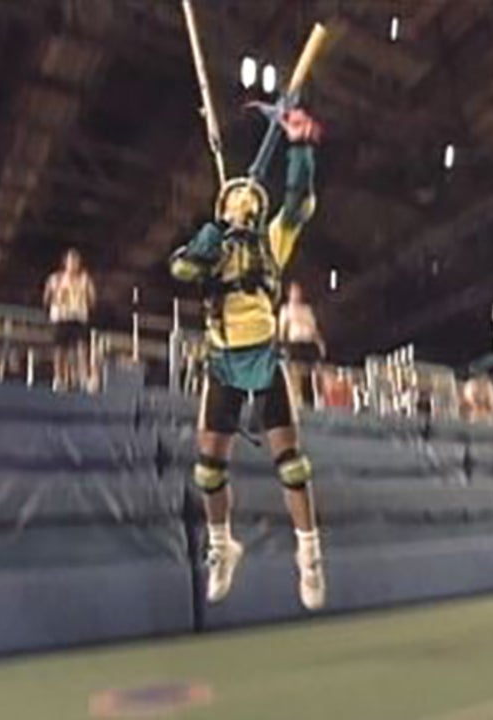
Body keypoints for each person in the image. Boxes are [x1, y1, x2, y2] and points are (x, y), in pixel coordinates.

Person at [168, 107, 326, 610]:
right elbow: (181, 270)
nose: (245, 200)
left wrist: (299, 148)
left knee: (292, 464)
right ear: (225, 206)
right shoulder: (212, 248)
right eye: (237, 197)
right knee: (208, 470)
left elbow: (298, 205)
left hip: (264, 357)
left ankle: (309, 553)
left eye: (250, 197)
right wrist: (214, 233)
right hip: (222, 361)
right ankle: (222, 545)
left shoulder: (271, 243)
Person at [43, 248, 96, 393]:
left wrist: (85, 305)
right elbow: (46, 297)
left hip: (78, 317)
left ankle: (85, 378)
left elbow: (92, 299)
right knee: (60, 349)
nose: (73, 264)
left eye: (76, 261)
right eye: (71, 261)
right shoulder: (55, 279)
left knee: (82, 348)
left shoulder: (85, 279)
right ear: (65, 262)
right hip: (61, 317)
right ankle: (59, 378)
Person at [278, 282, 326, 410]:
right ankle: (296, 403)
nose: (297, 293)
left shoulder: (306, 309)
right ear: (289, 293)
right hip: (295, 344)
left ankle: (314, 400)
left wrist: (320, 344)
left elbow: (314, 329)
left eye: (298, 291)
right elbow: (282, 332)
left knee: (313, 373)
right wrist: (283, 347)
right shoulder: (286, 310)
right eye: (294, 291)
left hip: (309, 343)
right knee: (295, 374)